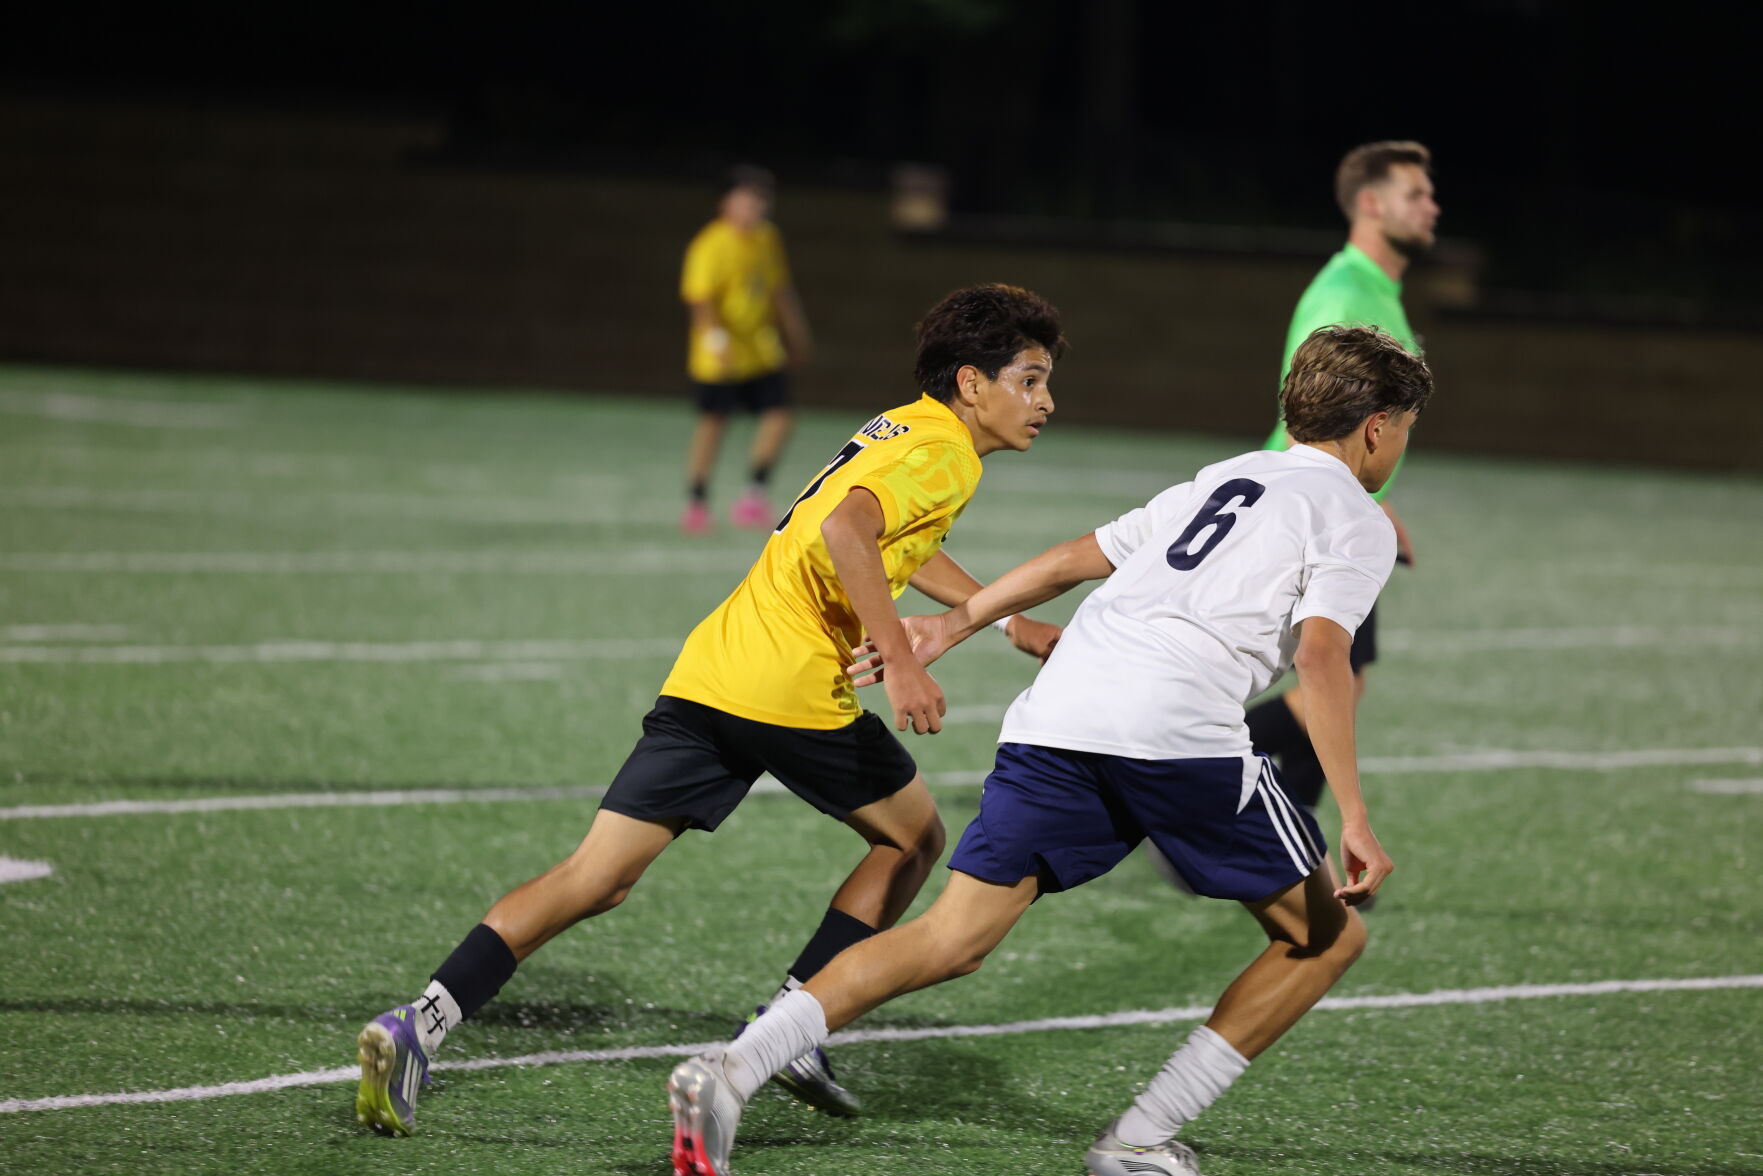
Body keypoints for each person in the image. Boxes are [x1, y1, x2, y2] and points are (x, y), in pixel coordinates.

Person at [666, 325, 1433, 1176]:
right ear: (1377, 428)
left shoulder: (1228, 475)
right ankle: (1137, 1141)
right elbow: (1321, 657)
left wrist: (955, 623)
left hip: (1059, 711)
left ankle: (730, 1070)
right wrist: (1352, 815)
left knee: (951, 937)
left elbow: (1075, 559)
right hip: (1176, 731)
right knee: (1327, 939)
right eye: (1404, 428)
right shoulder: (1355, 517)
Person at [354, 284, 1066, 1137]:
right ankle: (794, 1029)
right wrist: (903, 658)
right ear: (971, 383)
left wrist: (1004, 621)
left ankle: (420, 1021)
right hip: (792, 687)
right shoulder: (946, 454)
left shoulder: (902, 426)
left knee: (595, 877)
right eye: (1029, 380)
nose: (1045, 402)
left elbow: (892, 541)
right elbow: (847, 532)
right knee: (912, 840)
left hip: (713, 669)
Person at [1242, 140, 1438, 819]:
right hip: (1312, 512)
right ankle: (1182, 762)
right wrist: (1354, 503)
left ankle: (1287, 849)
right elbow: (1308, 411)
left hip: (1331, 503)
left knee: (1339, 687)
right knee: (1333, 685)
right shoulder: (1344, 292)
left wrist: (1377, 501)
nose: (1431, 206)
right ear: (1370, 203)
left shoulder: (1375, 289)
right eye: (1415, 194)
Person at [679, 165, 813, 534]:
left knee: (780, 415)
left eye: (761, 199)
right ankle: (697, 501)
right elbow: (700, 300)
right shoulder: (711, 244)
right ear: (726, 202)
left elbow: (779, 289)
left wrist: (797, 332)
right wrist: (717, 342)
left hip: (760, 349)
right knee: (714, 423)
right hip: (720, 354)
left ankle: (754, 495)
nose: (756, 206)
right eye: (747, 198)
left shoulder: (767, 238)